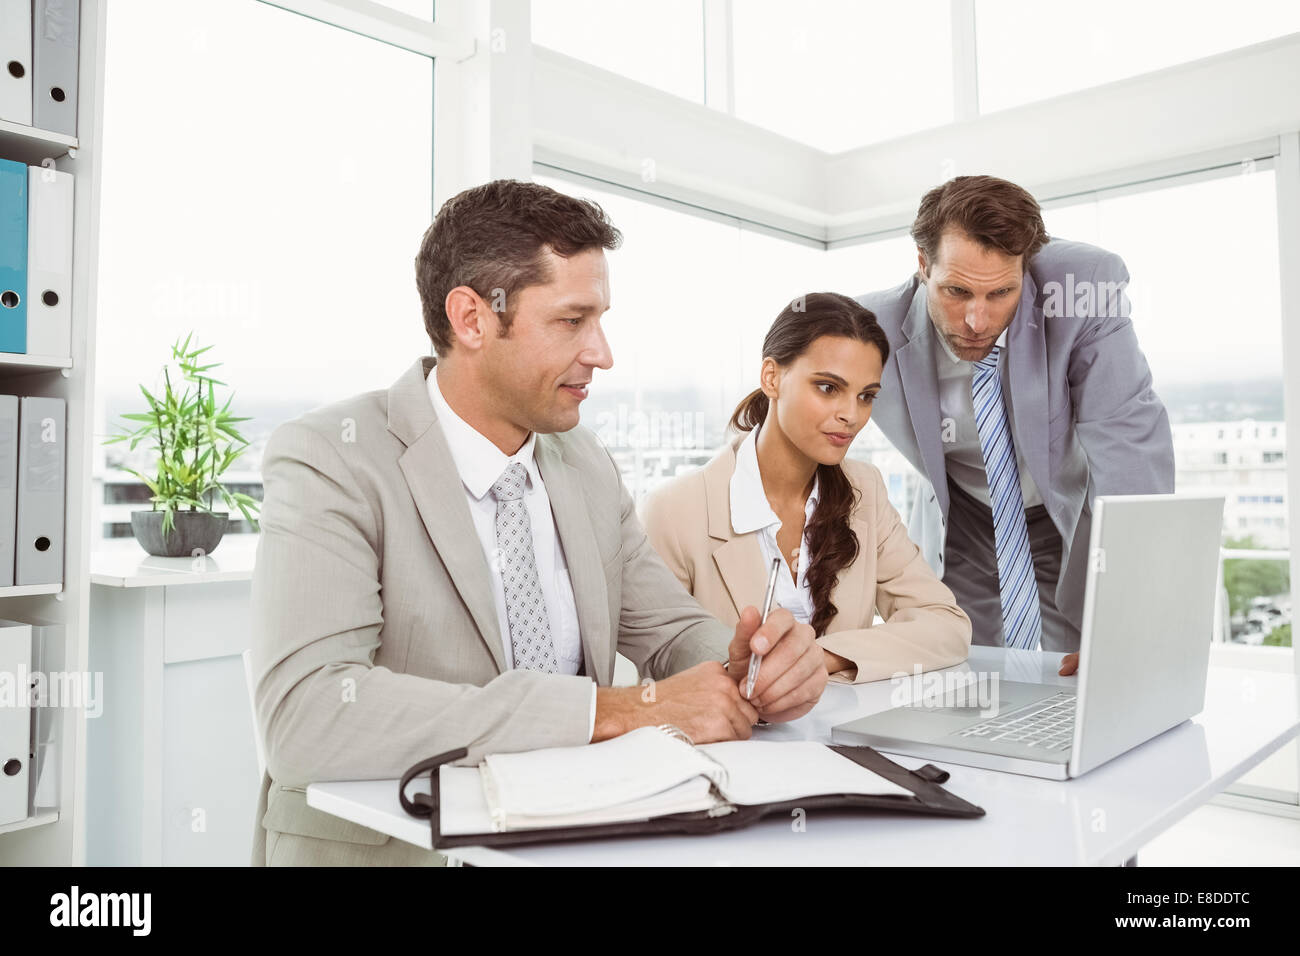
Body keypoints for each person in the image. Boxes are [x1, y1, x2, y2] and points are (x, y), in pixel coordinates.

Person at [249, 179, 827, 866]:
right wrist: (611, 711)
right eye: (571, 320)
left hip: (580, 840)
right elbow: (309, 716)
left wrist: (750, 666)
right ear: (471, 319)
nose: (603, 352)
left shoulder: (583, 461)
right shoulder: (332, 456)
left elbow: (669, 631)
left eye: (601, 319)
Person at [854, 175, 1174, 674]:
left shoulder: (1081, 288)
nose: (977, 321)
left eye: (1001, 292)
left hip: (1060, 510)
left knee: (1075, 669)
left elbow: (1128, 444)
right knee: (958, 666)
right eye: (956, 292)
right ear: (922, 267)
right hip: (966, 518)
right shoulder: (870, 323)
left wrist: (1127, 621)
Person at [640, 293, 971, 684]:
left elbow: (946, 624)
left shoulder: (865, 491)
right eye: (829, 388)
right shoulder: (674, 510)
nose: (851, 415)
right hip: (731, 741)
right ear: (772, 377)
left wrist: (823, 656)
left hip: (845, 737)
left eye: (866, 396)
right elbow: (657, 666)